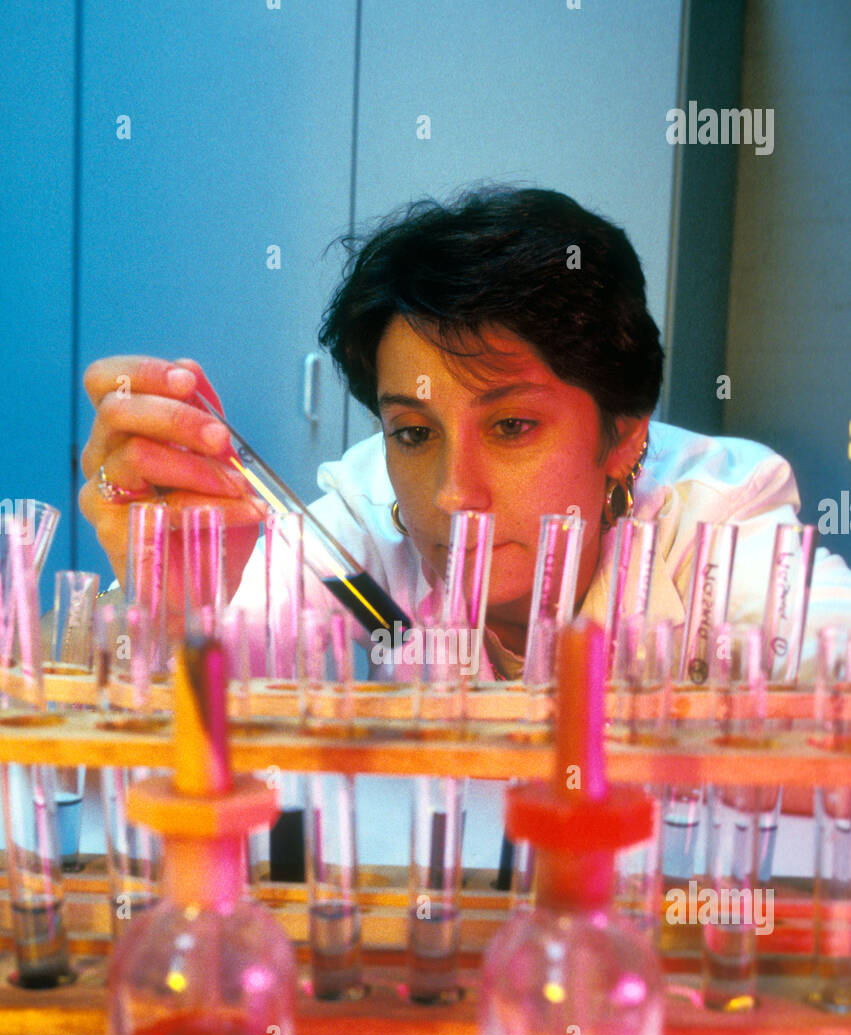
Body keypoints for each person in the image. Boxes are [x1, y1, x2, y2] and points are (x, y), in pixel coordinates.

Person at [79, 186, 851, 679]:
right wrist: (176, 617)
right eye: (413, 432)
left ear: (621, 435)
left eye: (513, 426)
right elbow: (220, 730)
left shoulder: (718, 530)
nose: (453, 493)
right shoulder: (359, 528)